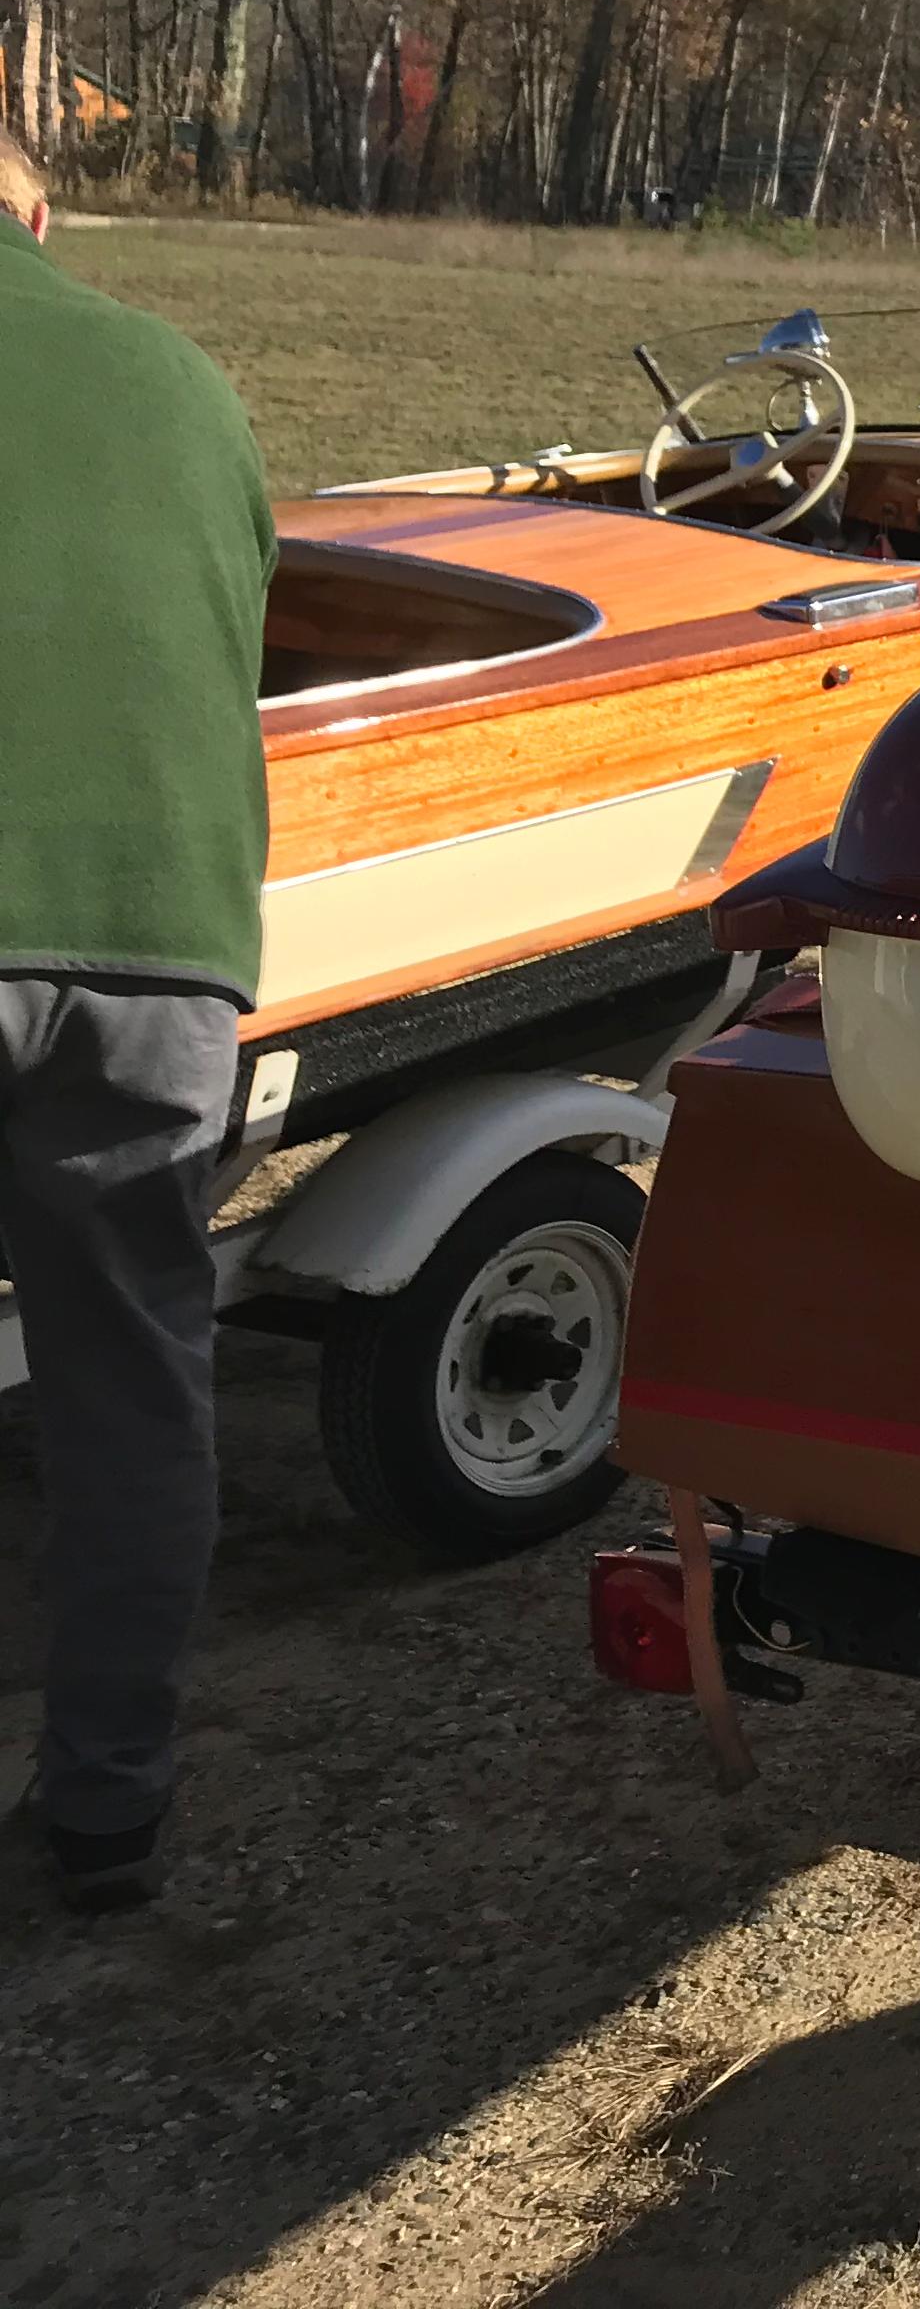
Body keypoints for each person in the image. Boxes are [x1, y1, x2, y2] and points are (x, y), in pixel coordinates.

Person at [0, 125, 273, 1913]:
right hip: (169, 952)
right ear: (37, 212)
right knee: (129, 1390)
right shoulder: (183, 379)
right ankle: (106, 1816)